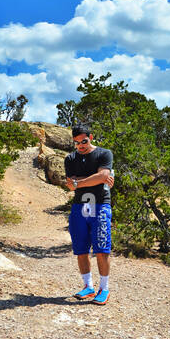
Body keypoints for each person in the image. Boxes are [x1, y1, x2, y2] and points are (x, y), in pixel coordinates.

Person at [61, 126, 114, 304]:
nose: (81, 146)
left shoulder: (104, 154)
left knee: (101, 249)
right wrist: (96, 178)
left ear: (91, 137)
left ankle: (104, 289)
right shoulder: (70, 158)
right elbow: (70, 184)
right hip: (79, 207)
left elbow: (103, 175)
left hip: (100, 205)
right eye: (76, 143)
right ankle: (88, 287)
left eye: (84, 141)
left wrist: (80, 181)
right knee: (81, 249)